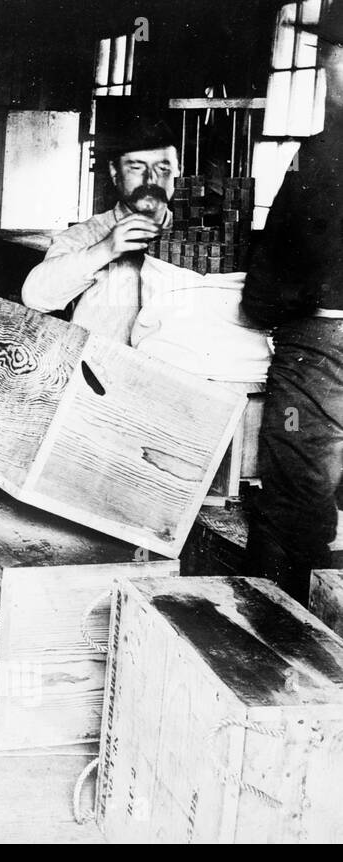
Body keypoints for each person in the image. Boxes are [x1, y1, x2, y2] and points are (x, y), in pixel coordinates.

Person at [241, 4, 343, 602]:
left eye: (330, 53)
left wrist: (271, 304)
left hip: (323, 348)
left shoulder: (320, 155)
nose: (326, 67)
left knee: (295, 493)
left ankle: (281, 642)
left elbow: (269, 288)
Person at [22, 114, 178, 344]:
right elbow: (34, 297)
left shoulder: (197, 240)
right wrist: (105, 249)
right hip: (98, 374)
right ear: (115, 172)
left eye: (163, 168)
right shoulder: (86, 235)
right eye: (136, 167)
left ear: (178, 171)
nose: (151, 179)